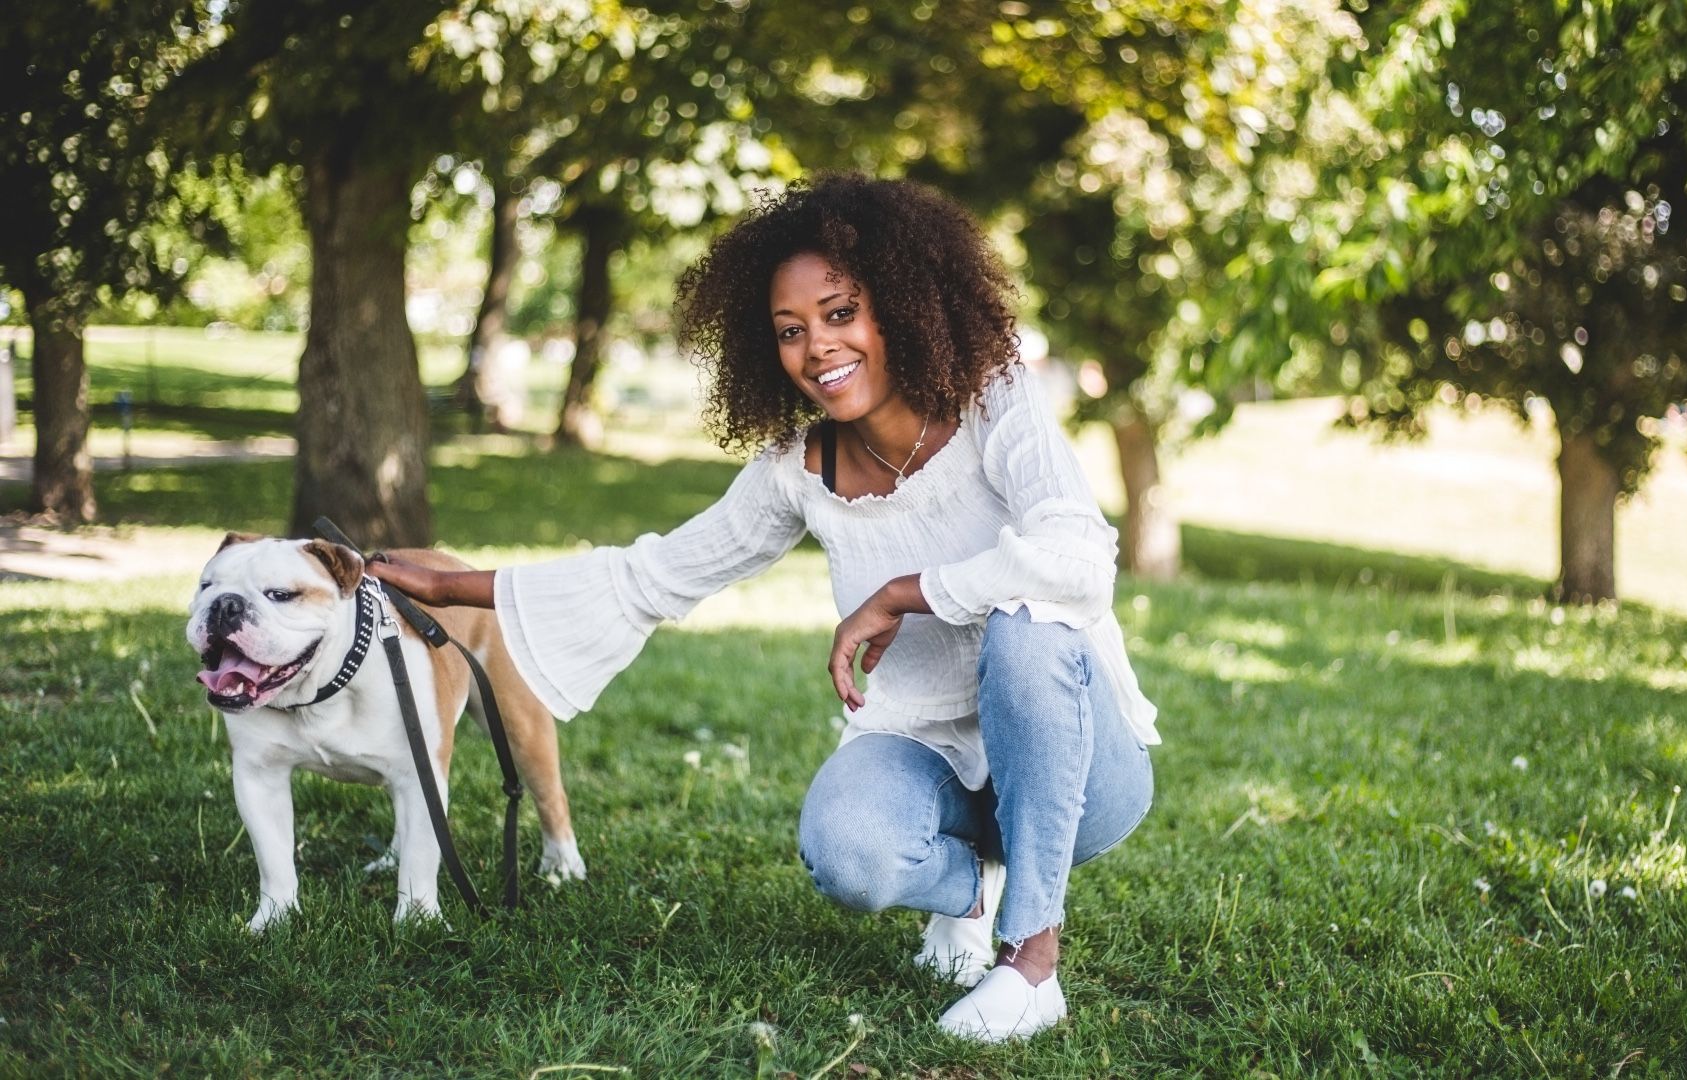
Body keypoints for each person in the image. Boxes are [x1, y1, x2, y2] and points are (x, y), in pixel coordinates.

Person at [368, 173, 1159, 1042]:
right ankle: (969, 889)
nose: (818, 347)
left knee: (1025, 624)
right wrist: (456, 585)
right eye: (791, 331)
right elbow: (654, 575)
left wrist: (907, 593)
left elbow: (1077, 559)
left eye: (839, 312)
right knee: (847, 853)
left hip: (1078, 769)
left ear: (899, 304)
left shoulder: (994, 398)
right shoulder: (797, 471)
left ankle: (1030, 964)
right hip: (931, 755)